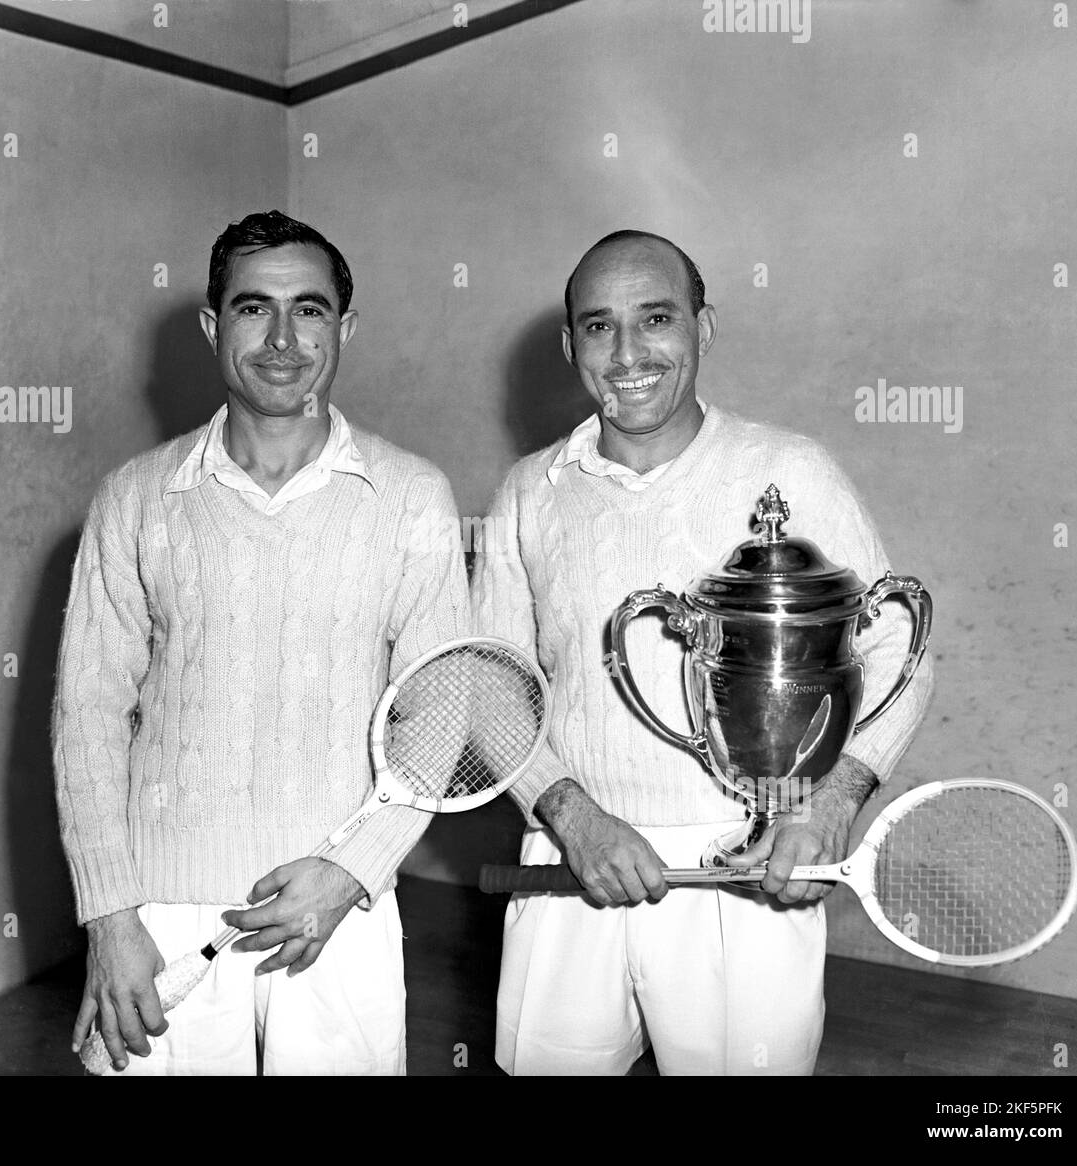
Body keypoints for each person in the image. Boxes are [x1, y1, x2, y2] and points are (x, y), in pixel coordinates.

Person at [471, 229, 933, 1076]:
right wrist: (572, 820)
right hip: (575, 856)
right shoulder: (525, 493)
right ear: (570, 344)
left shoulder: (792, 469)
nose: (629, 352)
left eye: (657, 318)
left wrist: (824, 809)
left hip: (752, 862)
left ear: (702, 328)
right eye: (600, 326)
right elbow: (491, 685)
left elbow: (901, 640)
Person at [52, 210, 468, 1075]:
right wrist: (110, 917)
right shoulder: (132, 499)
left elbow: (440, 712)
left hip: (336, 914)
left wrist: (351, 870)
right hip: (160, 917)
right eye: (253, 309)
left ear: (344, 329)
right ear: (213, 326)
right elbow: (86, 714)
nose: (282, 339)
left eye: (309, 310)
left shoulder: (414, 496)